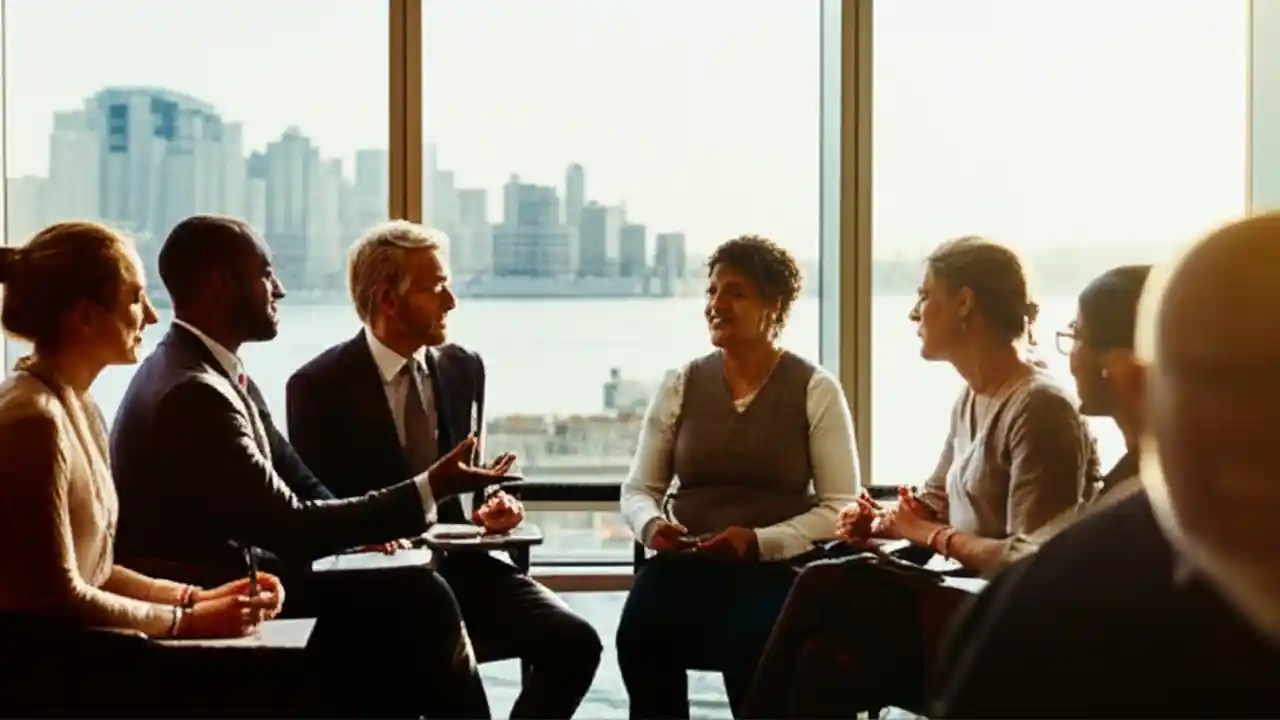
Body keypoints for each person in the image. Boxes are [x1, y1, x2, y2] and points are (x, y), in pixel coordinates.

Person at [109, 214, 505, 718]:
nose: (280, 288)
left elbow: (299, 479)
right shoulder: (195, 392)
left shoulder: (212, 373)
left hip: (247, 580)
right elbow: (289, 523)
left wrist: (361, 534)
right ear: (220, 284)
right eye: (266, 273)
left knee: (414, 597)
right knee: (420, 598)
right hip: (218, 595)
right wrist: (431, 487)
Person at [742, 264, 1149, 718]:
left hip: (1005, 619)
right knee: (822, 658)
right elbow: (931, 500)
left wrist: (929, 535)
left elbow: (1030, 565)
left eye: (925, 295)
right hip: (978, 598)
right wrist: (880, 523)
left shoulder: (1040, 407)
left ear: (964, 304)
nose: (915, 313)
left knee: (826, 583)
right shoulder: (971, 399)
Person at [932, 216, 1280, 718]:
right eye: (1239, 382)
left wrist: (932, 536)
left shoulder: (1044, 608)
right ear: (1138, 387)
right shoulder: (1043, 609)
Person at [286, 220, 602, 719]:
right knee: (441, 673)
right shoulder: (317, 386)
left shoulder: (463, 368)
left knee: (576, 643)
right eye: (436, 288)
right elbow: (319, 511)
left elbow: (464, 494)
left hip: (464, 571)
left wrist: (493, 510)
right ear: (388, 301)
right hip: (378, 592)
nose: (452, 301)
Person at [0, 222, 281, 713]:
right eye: (135, 299)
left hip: (80, 652)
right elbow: (58, 597)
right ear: (84, 318)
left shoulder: (77, 405)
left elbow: (98, 570)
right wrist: (187, 623)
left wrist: (196, 598)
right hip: (45, 674)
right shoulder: (32, 421)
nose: (151, 316)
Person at [616, 234, 861, 718]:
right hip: (685, 566)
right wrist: (652, 527)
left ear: (774, 305)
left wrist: (758, 541)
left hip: (772, 571)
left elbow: (841, 507)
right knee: (639, 633)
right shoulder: (681, 384)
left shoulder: (815, 388)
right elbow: (640, 489)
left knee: (751, 642)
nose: (716, 304)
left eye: (735, 293)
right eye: (712, 291)